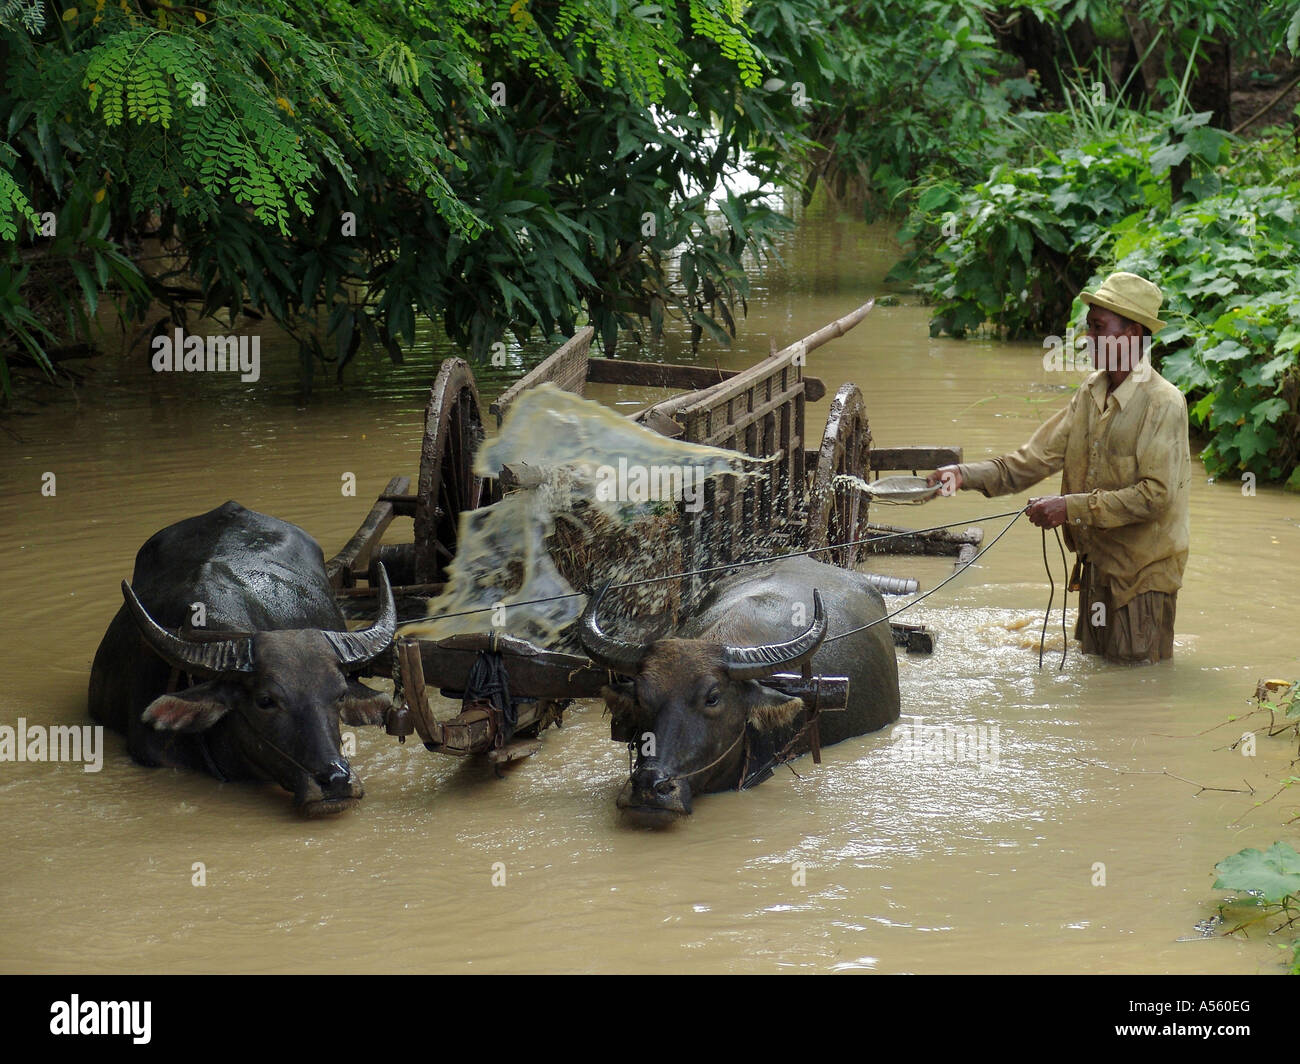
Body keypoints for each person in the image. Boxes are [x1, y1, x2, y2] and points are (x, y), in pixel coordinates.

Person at [927, 272, 1191, 664]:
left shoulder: (1163, 403)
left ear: (1133, 332)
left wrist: (1070, 507)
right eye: (1089, 326)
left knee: (1135, 684)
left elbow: (1155, 497)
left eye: (1099, 328)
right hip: (1096, 568)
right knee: (1099, 682)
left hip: (1142, 577)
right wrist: (963, 476)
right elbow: (1032, 461)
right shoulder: (1090, 393)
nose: (1088, 338)